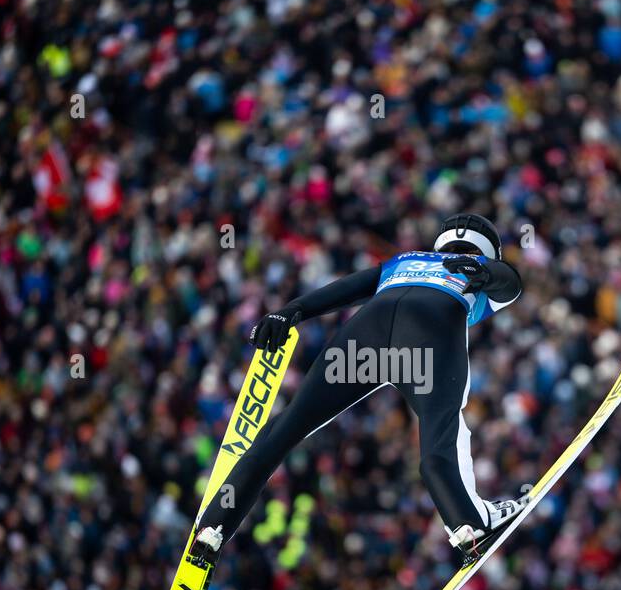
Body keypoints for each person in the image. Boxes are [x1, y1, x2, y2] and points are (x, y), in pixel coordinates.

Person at [193, 213, 528, 566]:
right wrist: (486, 272)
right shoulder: (476, 267)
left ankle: (213, 526)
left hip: (365, 338)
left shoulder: (406, 259)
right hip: (427, 338)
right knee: (440, 437)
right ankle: (468, 525)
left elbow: (348, 289)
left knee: (286, 427)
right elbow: (511, 284)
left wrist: (290, 312)